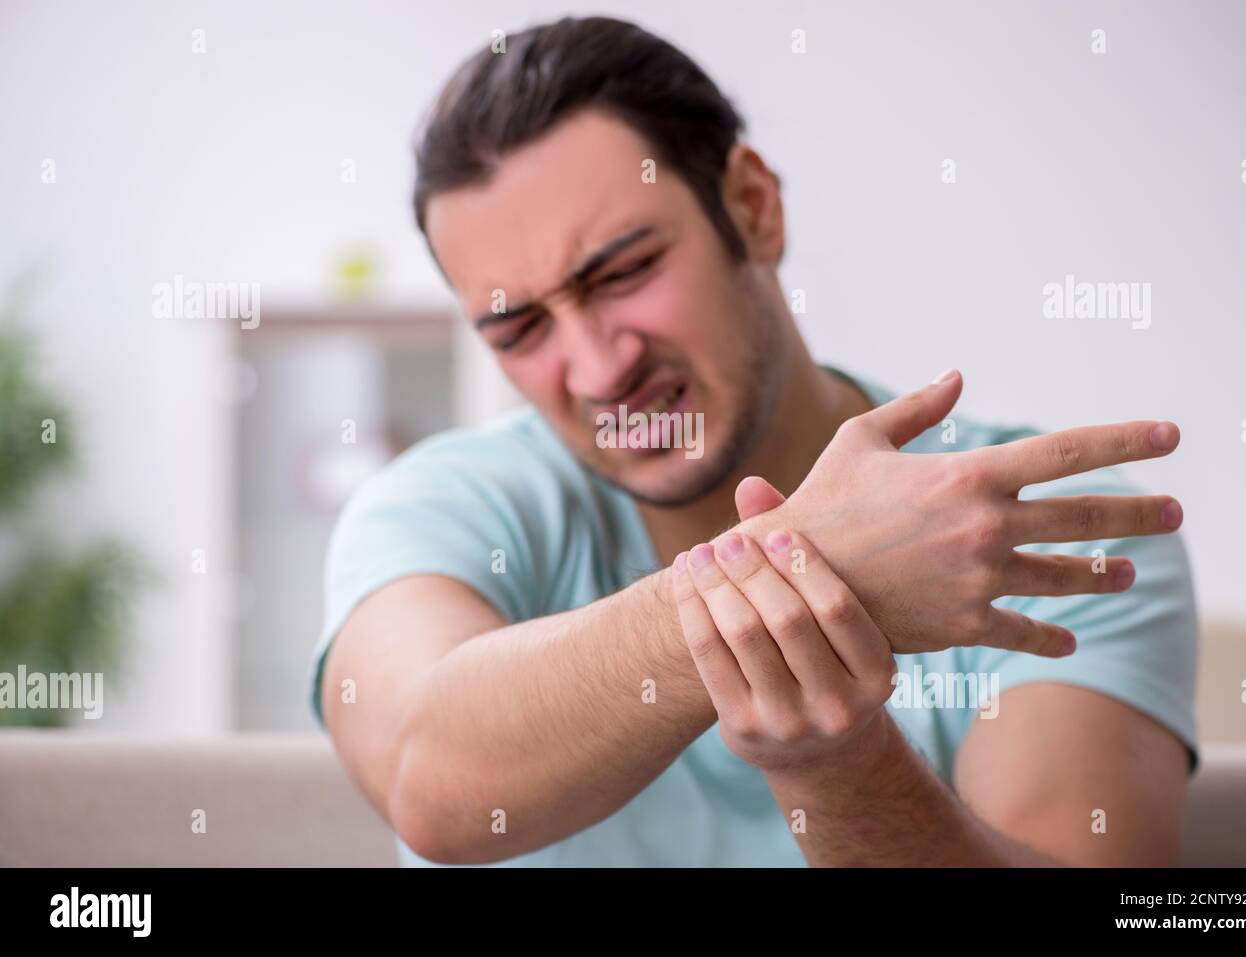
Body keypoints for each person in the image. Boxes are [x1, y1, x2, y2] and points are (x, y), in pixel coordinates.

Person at [311, 16, 1197, 867]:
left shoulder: (1026, 525)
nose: (595, 371)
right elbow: (431, 782)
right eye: (518, 330)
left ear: (753, 206)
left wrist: (835, 763)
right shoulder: (442, 506)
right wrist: (820, 564)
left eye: (623, 271)